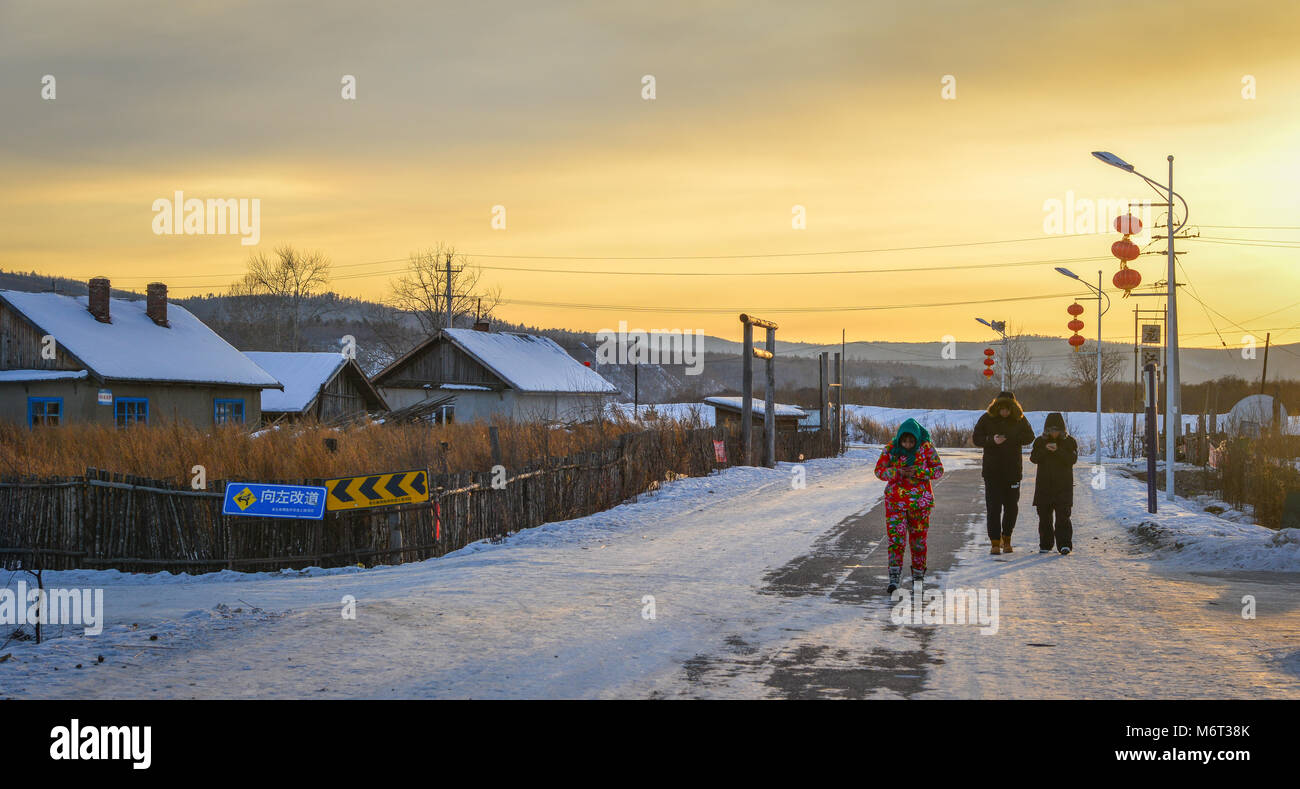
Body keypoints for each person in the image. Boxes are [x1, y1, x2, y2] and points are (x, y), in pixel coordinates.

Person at [873, 418, 945, 593]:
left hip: (920, 504)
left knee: (918, 542)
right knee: (896, 541)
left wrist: (919, 472)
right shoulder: (892, 448)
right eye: (904, 441)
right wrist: (897, 472)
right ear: (900, 438)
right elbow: (879, 471)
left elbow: (938, 470)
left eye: (911, 441)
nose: (907, 444)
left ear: (916, 439)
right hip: (895, 503)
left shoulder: (926, 448)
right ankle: (894, 578)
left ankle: (918, 578)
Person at [971, 391, 1034, 555]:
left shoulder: (1019, 419)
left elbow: (1030, 437)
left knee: (1011, 507)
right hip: (992, 472)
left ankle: (1007, 538)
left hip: (1013, 471)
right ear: (996, 407)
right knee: (993, 507)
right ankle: (994, 542)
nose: (1004, 412)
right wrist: (992, 440)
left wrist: (1014, 438)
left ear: (1013, 408)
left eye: (1007, 409)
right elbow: (977, 438)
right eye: (1001, 408)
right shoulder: (986, 418)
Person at [1029, 412, 1078, 555]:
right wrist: (1045, 449)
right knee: (1044, 517)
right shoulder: (1039, 442)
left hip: (1064, 487)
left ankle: (1064, 544)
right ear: (1047, 430)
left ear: (1062, 430)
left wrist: (1058, 451)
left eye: (1057, 430)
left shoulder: (1070, 442)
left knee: (1063, 517)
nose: (1054, 433)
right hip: (1044, 486)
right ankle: (1045, 544)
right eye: (1051, 430)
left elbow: (1072, 459)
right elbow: (1033, 458)